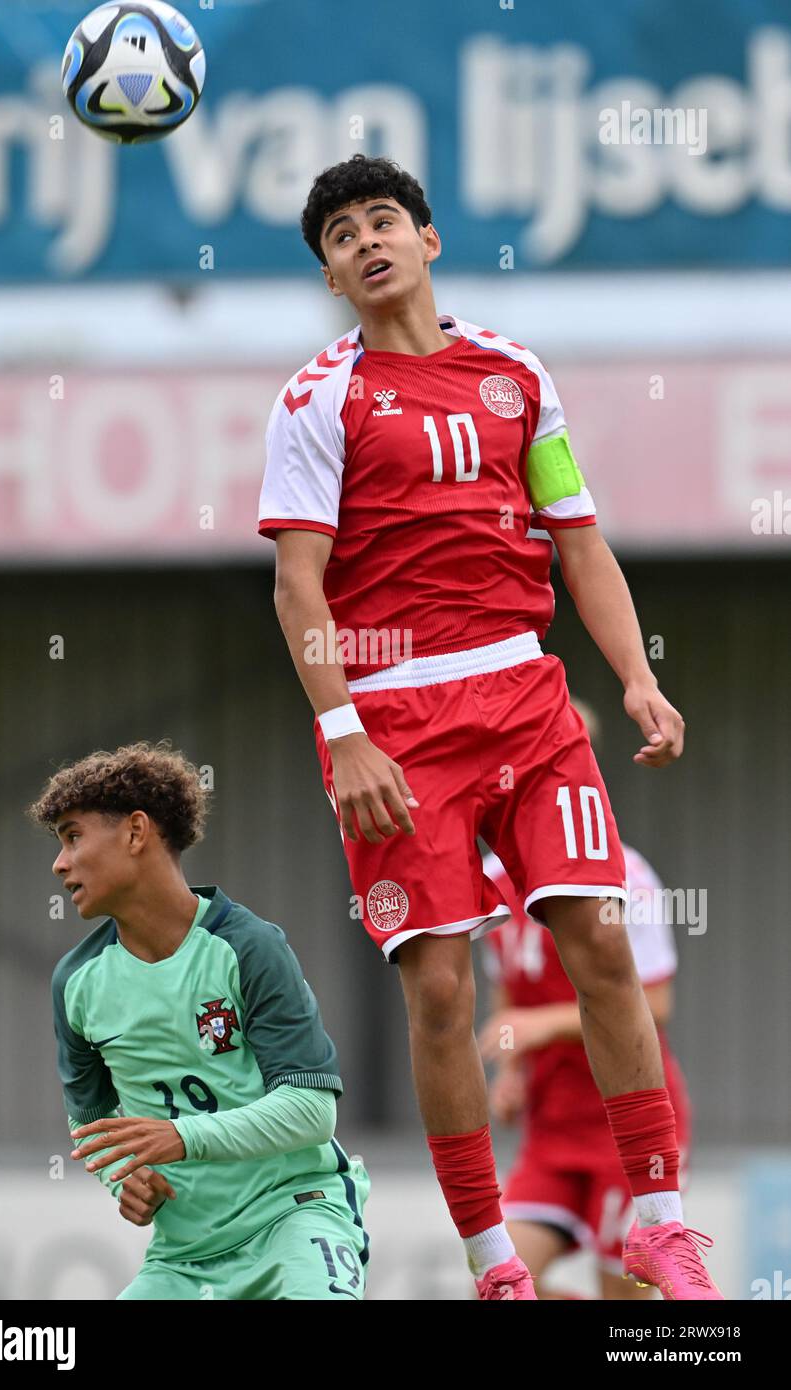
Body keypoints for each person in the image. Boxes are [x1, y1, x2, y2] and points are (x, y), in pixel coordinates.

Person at [257, 153, 720, 1299]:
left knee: (602, 939)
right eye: (340, 238)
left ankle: (659, 1218)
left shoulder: (516, 373)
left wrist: (635, 680)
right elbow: (297, 588)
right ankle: (494, 1259)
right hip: (397, 721)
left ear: (428, 239)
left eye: (382, 221)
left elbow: (580, 539)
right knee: (444, 991)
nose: (365, 242)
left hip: (527, 693)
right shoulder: (319, 398)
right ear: (329, 277)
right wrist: (346, 731)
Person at [28, 740, 369, 1301]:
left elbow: (312, 1113)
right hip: (184, 1257)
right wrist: (127, 1178)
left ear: (136, 833)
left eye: (73, 836)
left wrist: (179, 1137)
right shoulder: (77, 983)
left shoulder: (249, 948)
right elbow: (91, 1128)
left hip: (296, 1216)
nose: (60, 863)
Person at [478, 702, 694, 1300]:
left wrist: (540, 1027)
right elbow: (507, 997)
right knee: (500, 1285)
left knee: (622, 1293)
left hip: (625, 1124)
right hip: (554, 1129)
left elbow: (655, 1006)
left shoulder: (626, 873)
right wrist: (513, 1071)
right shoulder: (495, 880)